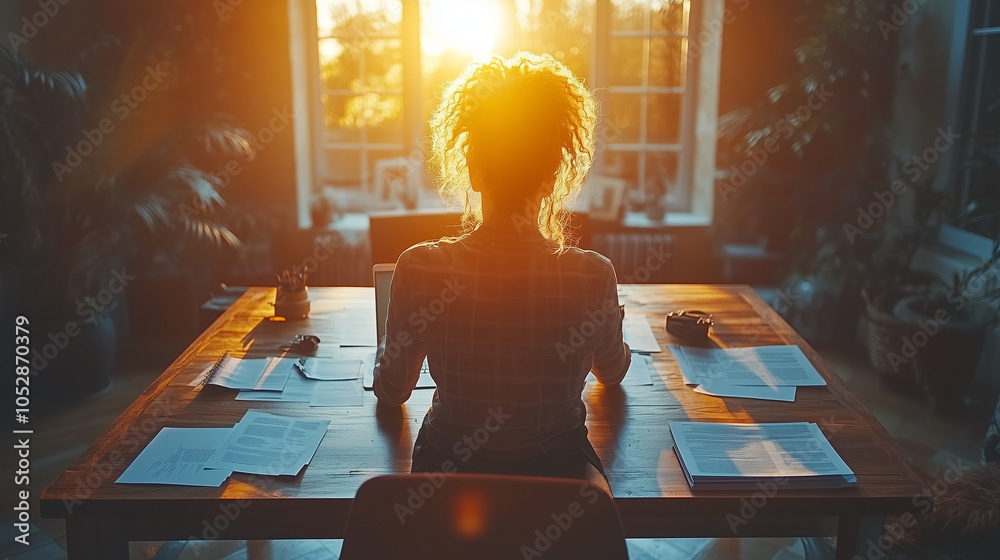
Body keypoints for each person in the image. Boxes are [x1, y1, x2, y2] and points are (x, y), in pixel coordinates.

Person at [373, 52, 631, 480]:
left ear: (473, 171)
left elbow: (391, 391)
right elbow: (613, 371)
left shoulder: (419, 268)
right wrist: (609, 320)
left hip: (444, 494)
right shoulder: (594, 275)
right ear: (552, 178)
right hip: (559, 493)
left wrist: (390, 342)